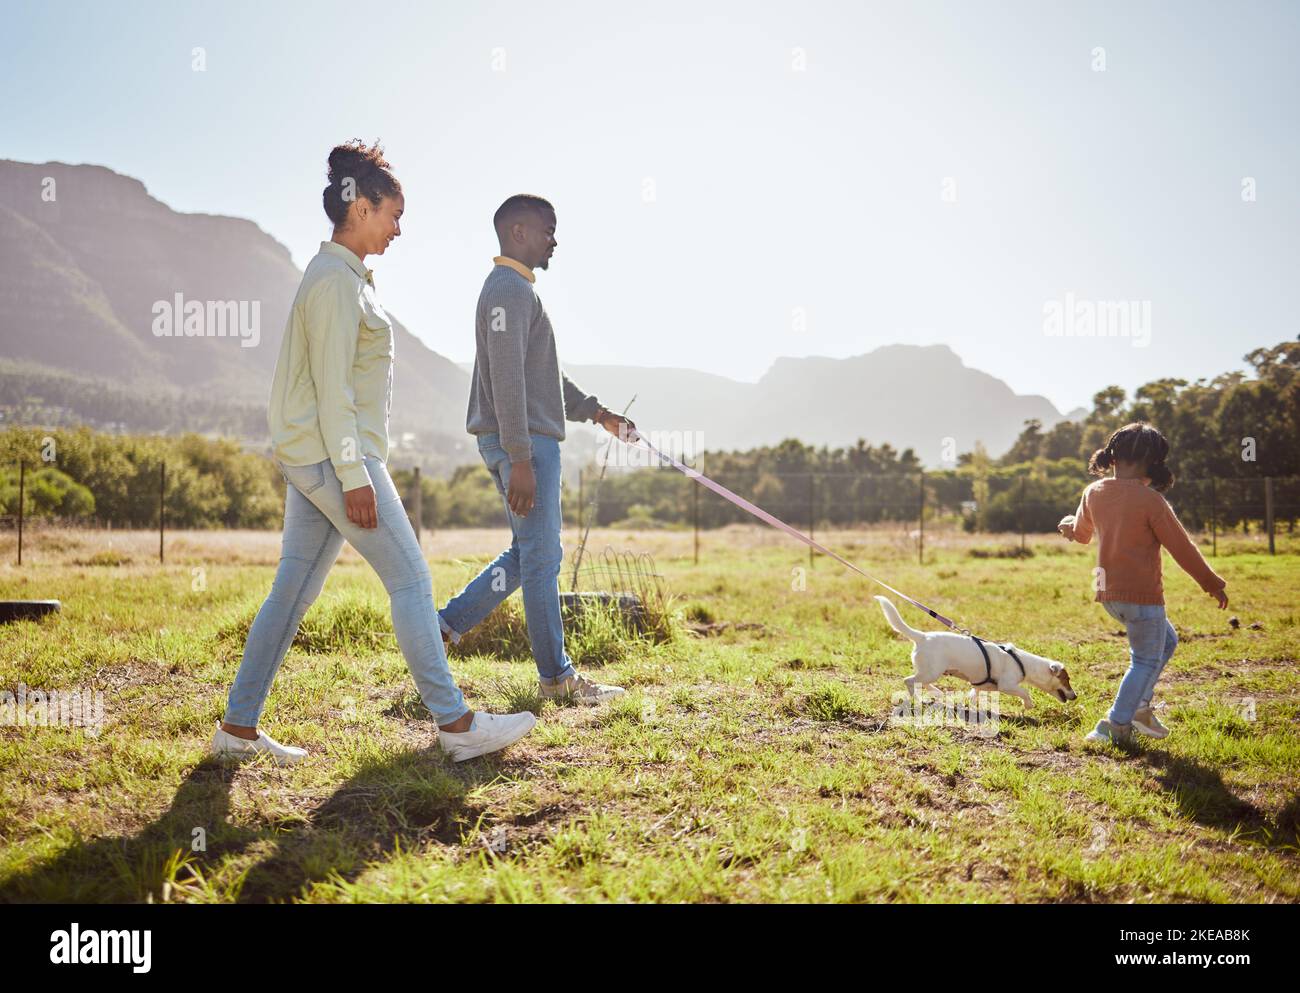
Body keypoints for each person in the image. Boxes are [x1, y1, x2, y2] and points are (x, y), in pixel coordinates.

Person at [212, 142, 536, 765]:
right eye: (392, 213)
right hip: (339, 460)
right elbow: (333, 389)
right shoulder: (334, 281)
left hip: (317, 459)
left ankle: (238, 731)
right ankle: (458, 724)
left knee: (292, 591)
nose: (398, 227)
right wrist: (355, 475)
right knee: (412, 580)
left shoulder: (340, 276)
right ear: (359, 208)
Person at [437, 194, 636, 704]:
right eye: (549, 229)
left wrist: (598, 414)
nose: (555, 239)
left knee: (529, 556)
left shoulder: (517, 291)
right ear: (519, 232)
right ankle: (557, 679)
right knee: (543, 559)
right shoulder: (507, 289)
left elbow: (541, 378)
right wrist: (521, 457)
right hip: (524, 445)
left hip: (523, 441)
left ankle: (442, 628)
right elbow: (505, 380)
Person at [1058, 421, 1228, 745]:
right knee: (1144, 659)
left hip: (1110, 596)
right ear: (1151, 461)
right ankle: (1114, 725)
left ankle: (1139, 706)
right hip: (1143, 597)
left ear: (1113, 456)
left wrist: (1067, 524)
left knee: (1167, 641)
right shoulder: (1151, 501)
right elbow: (1182, 547)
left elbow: (1079, 533)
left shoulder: (1093, 492)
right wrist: (1211, 583)